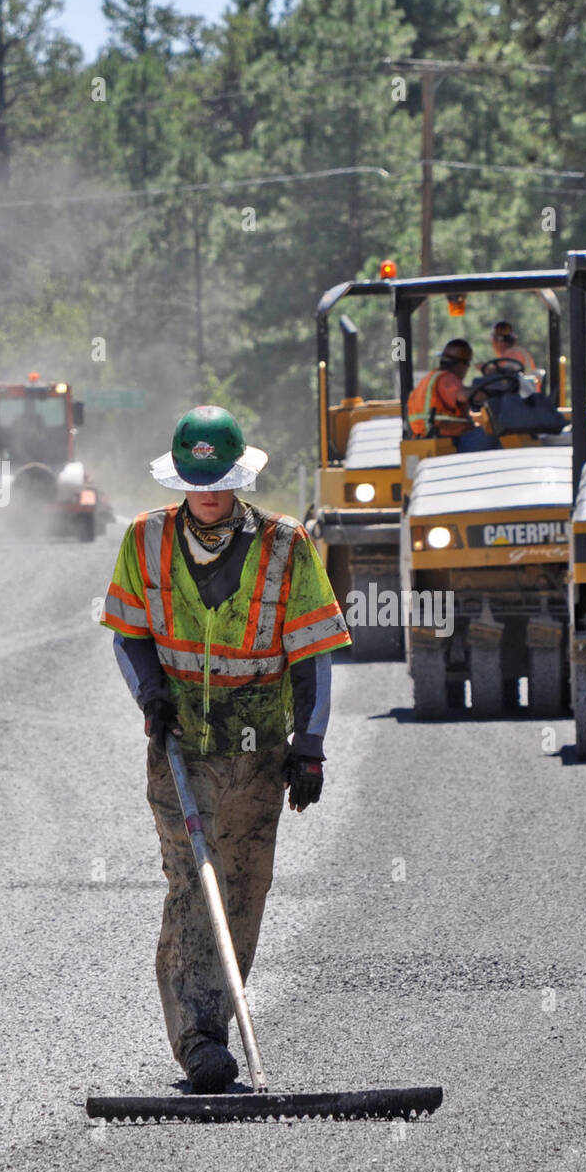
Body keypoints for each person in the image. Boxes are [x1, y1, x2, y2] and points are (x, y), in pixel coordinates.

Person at [100, 406, 351, 1092]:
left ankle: (216, 1007)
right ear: (179, 478)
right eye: (194, 480)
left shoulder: (285, 545)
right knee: (191, 882)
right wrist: (149, 695)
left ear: (238, 478)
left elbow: (313, 654)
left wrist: (311, 745)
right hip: (180, 748)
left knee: (242, 886)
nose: (206, 493)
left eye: (218, 481)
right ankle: (200, 1039)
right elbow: (128, 634)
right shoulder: (144, 540)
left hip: (258, 752)